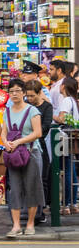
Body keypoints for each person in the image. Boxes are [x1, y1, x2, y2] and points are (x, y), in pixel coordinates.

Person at [0, 76, 43, 237]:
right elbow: (4, 132)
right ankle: (15, 226)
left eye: (17, 91)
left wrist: (19, 142)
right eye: (11, 91)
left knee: (31, 188)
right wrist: (6, 142)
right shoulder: (6, 111)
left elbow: (38, 133)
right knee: (14, 189)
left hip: (31, 153)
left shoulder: (32, 111)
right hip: (13, 154)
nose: (14, 94)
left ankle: (30, 224)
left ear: (24, 93)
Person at [22, 77, 53, 224]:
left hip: (40, 146)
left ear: (40, 92)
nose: (29, 99)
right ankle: (28, 209)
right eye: (27, 96)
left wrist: (34, 130)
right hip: (25, 147)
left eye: (32, 96)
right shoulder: (26, 106)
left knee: (42, 179)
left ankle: (41, 210)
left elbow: (46, 126)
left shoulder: (47, 107)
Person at [54, 74, 79, 213]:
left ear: (64, 86)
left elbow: (61, 119)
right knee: (71, 170)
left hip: (63, 138)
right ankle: (73, 203)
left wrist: (51, 115)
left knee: (66, 170)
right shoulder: (73, 100)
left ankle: (67, 204)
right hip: (71, 138)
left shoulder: (65, 101)